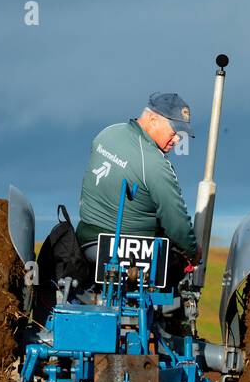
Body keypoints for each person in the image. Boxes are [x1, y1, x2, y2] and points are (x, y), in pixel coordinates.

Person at [76, 92, 202, 279]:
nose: (177, 140)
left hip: (85, 240)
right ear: (152, 119)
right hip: (128, 250)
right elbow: (176, 222)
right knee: (179, 268)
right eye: (174, 131)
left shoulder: (107, 133)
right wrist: (193, 252)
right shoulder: (155, 164)